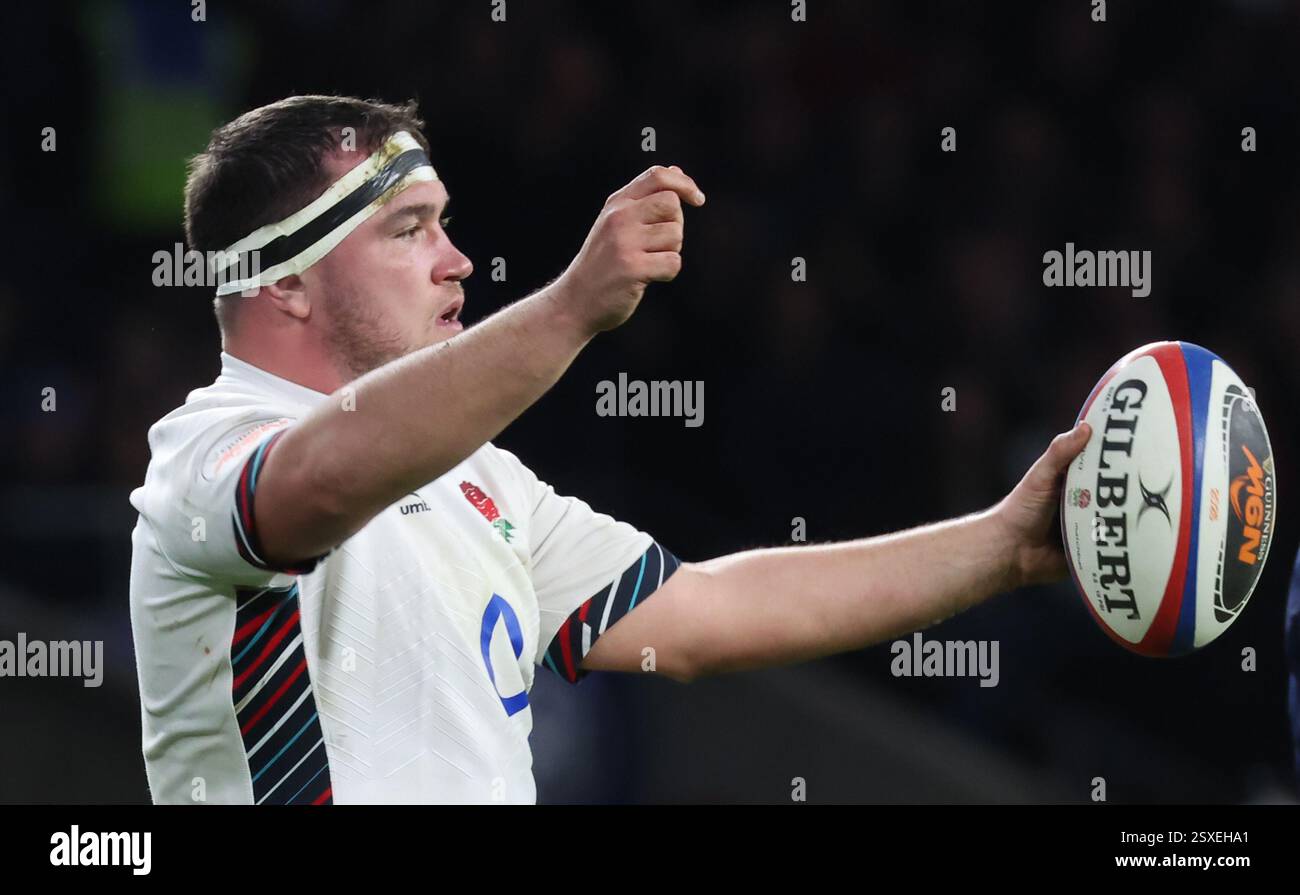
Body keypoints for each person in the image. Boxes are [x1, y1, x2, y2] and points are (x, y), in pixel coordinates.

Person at [128, 95, 1092, 804]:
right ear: (286, 283)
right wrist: (572, 306)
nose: (457, 259)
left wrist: (1004, 545)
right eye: (409, 229)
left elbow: (708, 614)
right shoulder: (202, 457)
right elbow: (326, 474)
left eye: (447, 223)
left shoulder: (483, 480)